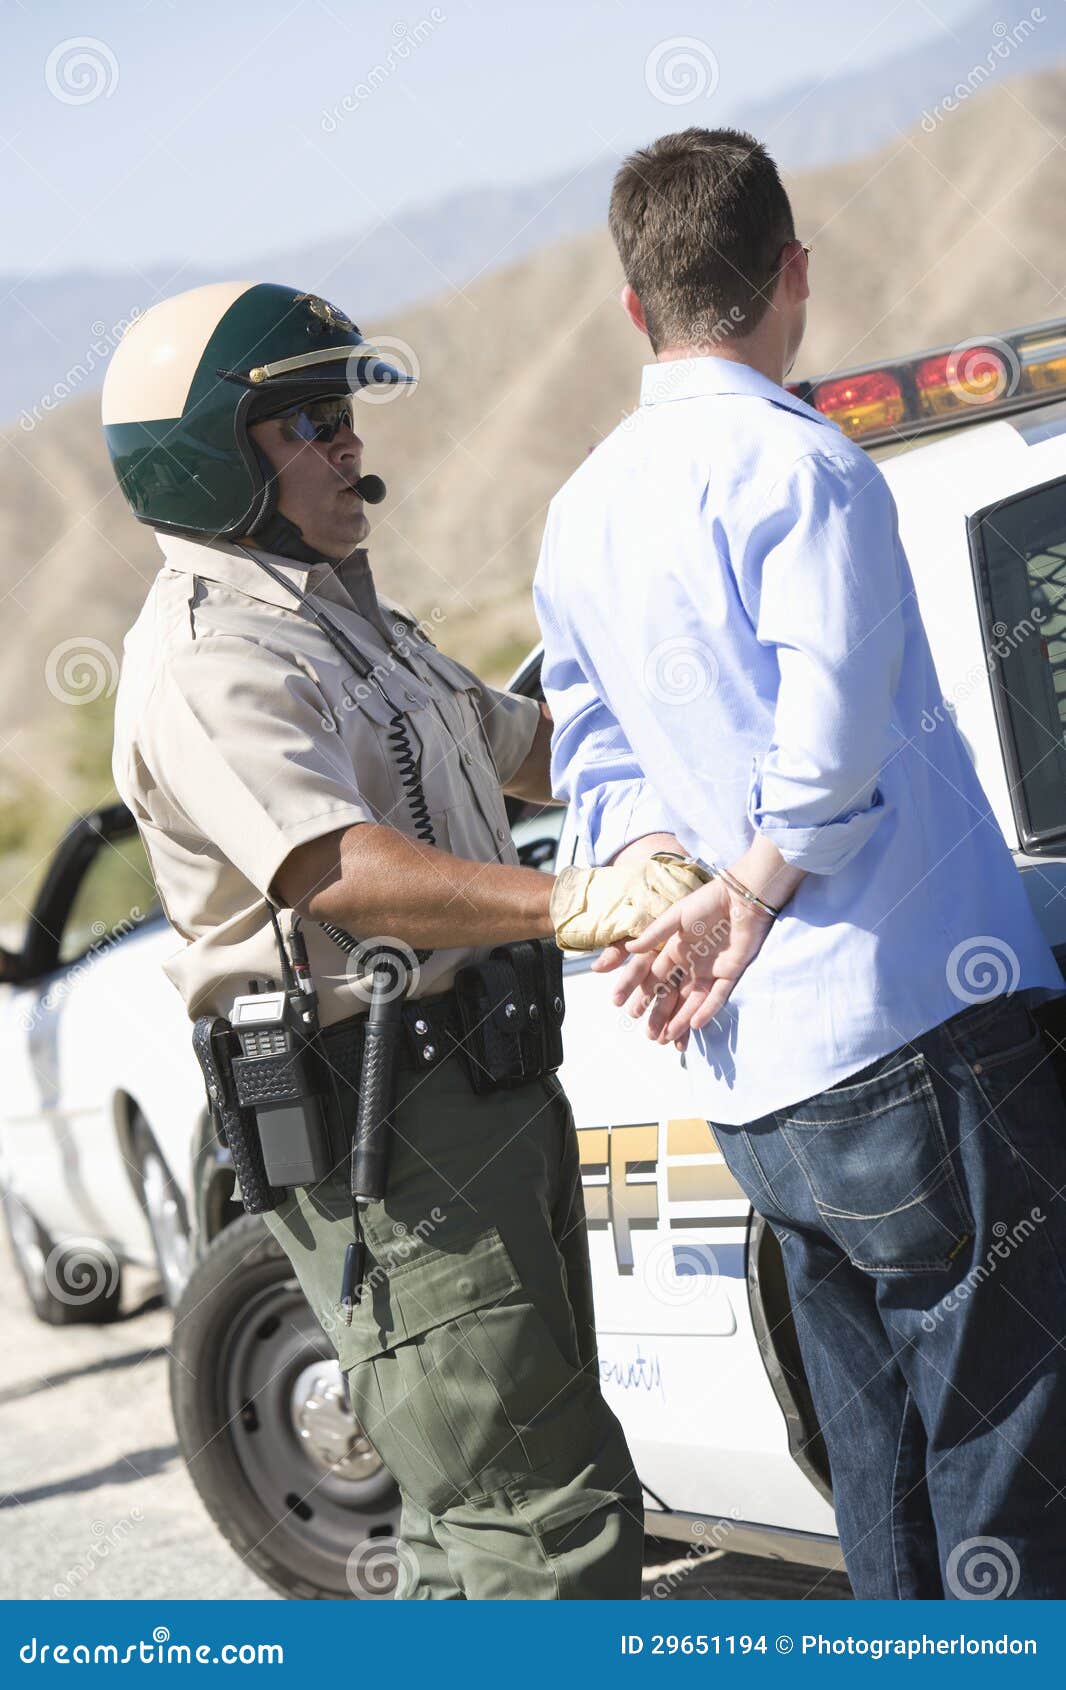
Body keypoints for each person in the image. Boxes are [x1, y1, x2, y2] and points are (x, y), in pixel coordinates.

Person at [104, 280, 700, 1599]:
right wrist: (577, 900)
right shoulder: (206, 662)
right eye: (309, 424)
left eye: (343, 417)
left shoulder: (337, 618)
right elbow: (337, 869)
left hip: (484, 1083)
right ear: (212, 456)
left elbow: (523, 745)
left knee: (465, 1523)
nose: (347, 446)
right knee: (545, 1526)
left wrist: (707, 769)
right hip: (389, 1126)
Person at [533, 128, 1066, 1599]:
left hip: (759, 1084)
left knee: (879, 1472)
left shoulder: (581, 512)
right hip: (910, 1032)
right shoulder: (806, 466)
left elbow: (589, 745)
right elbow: (830, 748)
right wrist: (751, 898)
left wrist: (667, 869)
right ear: (794, 274)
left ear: (633, 304)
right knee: (1003, 1468)